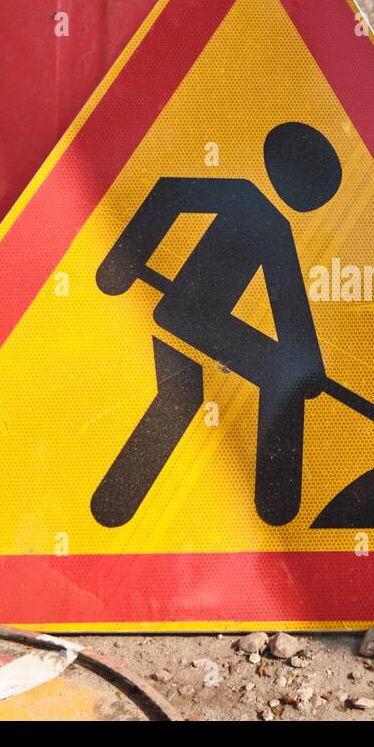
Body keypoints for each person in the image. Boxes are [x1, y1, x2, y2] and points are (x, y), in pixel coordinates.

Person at [94, 122, 341, 528]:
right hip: (194, 317)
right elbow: (169, 194)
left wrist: (121, 266)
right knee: (282, 376)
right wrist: (120, 266)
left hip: (188, 316)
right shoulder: (251, 206)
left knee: (178, 398)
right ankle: (277, 502)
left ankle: (113, 504)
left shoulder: (264, 218)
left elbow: (289, 303)